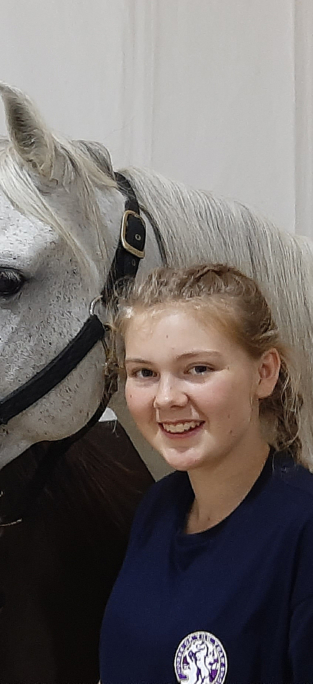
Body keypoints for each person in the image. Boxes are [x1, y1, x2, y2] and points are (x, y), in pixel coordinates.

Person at [99, 264, 313, 684]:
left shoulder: (302, 531)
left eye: (198, 369)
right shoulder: (157, 508)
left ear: (263, 373)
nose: (166, 398)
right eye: (144, 373)